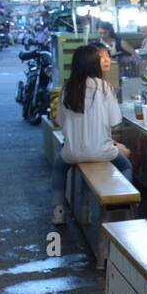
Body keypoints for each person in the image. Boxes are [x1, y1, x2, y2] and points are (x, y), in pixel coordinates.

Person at [51, 44, 132, 225]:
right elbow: (115, 121)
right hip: (102, 152)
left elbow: (60, 121)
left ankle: (58, 210)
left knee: (59, 168)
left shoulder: (67, 89)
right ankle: (121, 205)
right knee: (126, 166)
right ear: (92, 64)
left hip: (71, 153)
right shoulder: (104, 87)